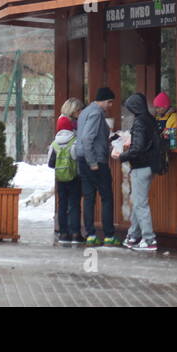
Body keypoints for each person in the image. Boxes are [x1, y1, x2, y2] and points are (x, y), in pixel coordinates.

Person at [74, 87, 119, 247]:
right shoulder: (97, 113)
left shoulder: (84, 112)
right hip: (95, 161)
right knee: (106, 197)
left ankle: (91, 235)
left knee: (89, 198)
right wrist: (93, 162)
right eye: (109, 102)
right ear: (103, 100)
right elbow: (87, 138)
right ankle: (108, 235)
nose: (110, 105)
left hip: (82, 159)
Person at [119, 92, 158, 251]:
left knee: (140, 204)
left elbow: (138, 148)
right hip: (150, 165)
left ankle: (149, 240)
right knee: (137, 201)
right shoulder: (150, 119)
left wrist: (122, 156)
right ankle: (133, 236)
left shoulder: (140, 122)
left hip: (141, 166)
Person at [48, 98, 83, 246]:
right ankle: (75, 233)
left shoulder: (55, 143)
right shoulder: (74, 141)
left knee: (62, 204)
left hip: (60, 177)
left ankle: (63, 233)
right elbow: (77, 157)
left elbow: (50, 162)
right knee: (74, 204)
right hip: (73, 177)